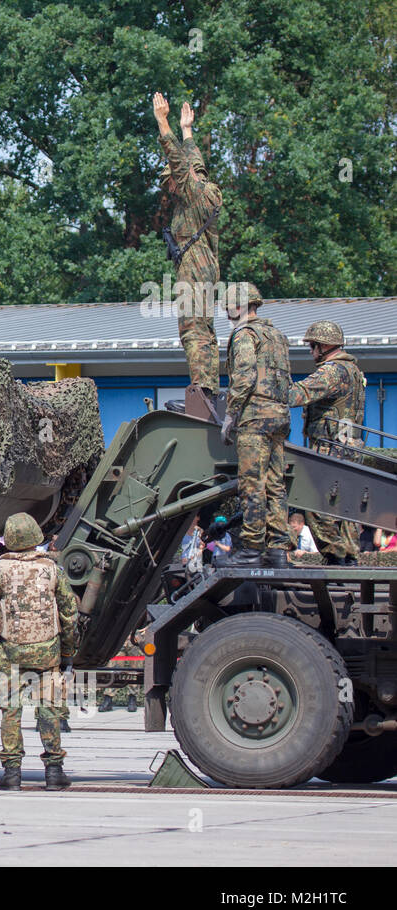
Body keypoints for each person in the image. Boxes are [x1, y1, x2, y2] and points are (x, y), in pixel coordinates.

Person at [0, 512, 79, 791]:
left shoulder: (0, 573)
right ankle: (54, 772)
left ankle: (12, 774)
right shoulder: (53, 570)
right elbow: (69, 614)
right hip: (48, 652)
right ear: (36, 537)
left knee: (10, 712)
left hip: (10, 653)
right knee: (49, 710)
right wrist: (68, 652)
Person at [152, 92, 223, 397]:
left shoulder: (192, 194)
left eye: (169, 181)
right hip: (205, 266)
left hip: (194, 268)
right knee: (205, 328)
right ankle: (208, 382)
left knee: (192, 327)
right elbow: (195, 167)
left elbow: (182, 166)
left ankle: (202, 387)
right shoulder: (203, 191)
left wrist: (163, 123)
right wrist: (188, 131)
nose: (169, 187)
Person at [220, 282, 292, 567]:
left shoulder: (244, 334)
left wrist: (231, 414)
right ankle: (278, 549)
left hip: (254, 419)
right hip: (279, 418)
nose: (227, 315)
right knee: (276, 485)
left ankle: (250, 548)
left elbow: (245, 376)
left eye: (227, 309)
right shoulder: (277, 335)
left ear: (238, 306)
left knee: (253, 484)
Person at [288, 320, 366, 565]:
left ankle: (335, 555)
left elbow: (295, 395)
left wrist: (270, 382)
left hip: (330, 447)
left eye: (312, 346)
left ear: (323, 345)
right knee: (346, 508)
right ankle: (350, 556)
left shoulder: (332, 371)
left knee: (311, 502)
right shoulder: (354, 371)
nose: (311, 352)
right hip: (350, 447)